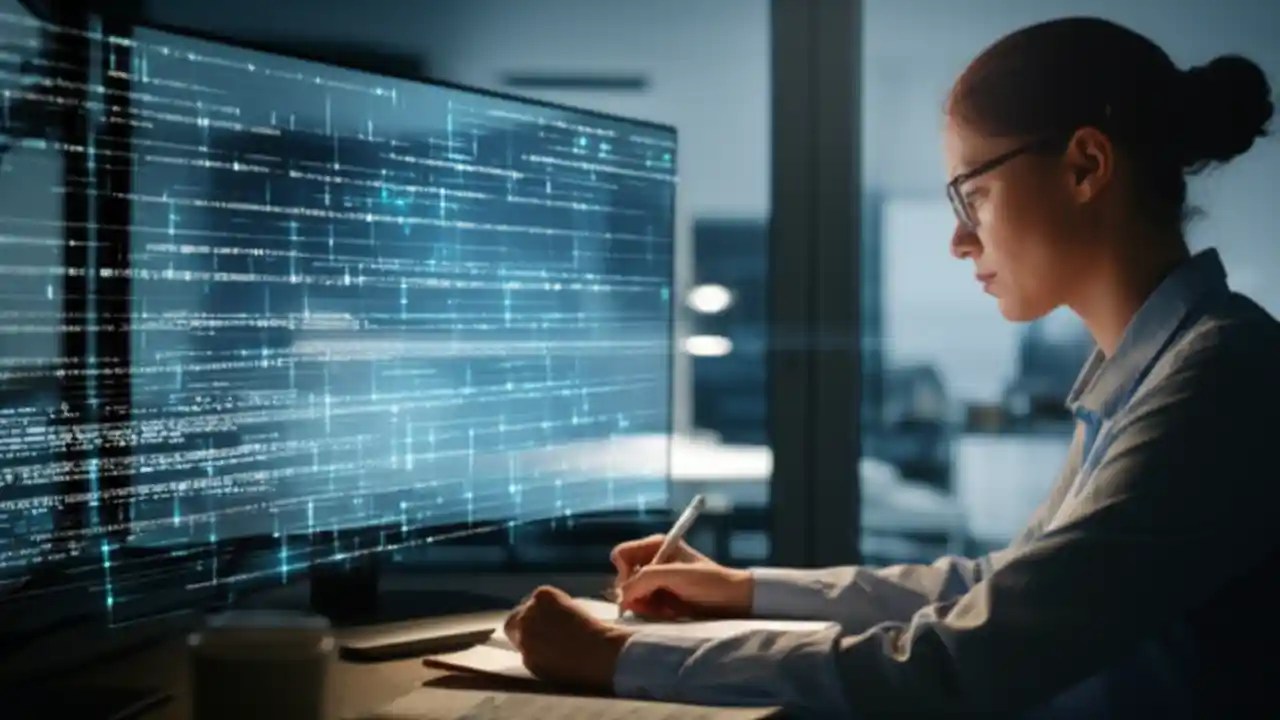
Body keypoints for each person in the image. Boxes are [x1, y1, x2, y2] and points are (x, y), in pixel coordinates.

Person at [503, 16, 1279, 718]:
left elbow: (955, 663)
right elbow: (991, 592)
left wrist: (621, 656)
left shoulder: (1219, 382)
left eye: (972, 195)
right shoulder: (1153, 371)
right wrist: (740, 590)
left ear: (1084, 167)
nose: (958, 240)